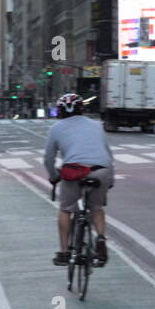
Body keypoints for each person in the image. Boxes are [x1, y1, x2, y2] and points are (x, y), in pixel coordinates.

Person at [44, 93, 115, 267]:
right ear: (82, 109)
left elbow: (48, 158)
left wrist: (54, 177)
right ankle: (100, 238)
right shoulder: (96, 125)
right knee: (96, 207)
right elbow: (108, 154)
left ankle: (64, 252)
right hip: (101, 170)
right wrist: (110, 178)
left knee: (66, 209)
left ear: (60, 111)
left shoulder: (56, 128)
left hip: (73, 172)